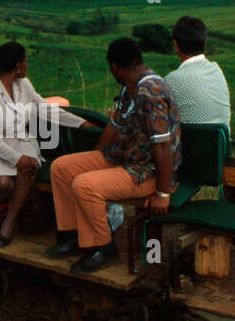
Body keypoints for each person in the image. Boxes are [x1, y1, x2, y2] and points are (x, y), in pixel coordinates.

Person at [45, 38, 181, 273]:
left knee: (85, 185)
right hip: (124, 157)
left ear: (114, 67)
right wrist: (95, 156)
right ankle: (72, 234)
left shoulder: (151, 92)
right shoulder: (130, 87)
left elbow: (163, 146)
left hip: (147, 171)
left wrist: (163, 192)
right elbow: (114, 126)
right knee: (62, 168)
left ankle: (103, 246)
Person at [0, 42, 89, 246]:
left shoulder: (24, 85)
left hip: (18, 141)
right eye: (25, 62)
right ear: (17, 66)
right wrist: (17, 159)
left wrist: (80, 123)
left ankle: (10, 220)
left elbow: (45, 109)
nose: (27, 65)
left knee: (29, 167)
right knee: (3, 182)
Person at [163, 15, 230, 125]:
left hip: (189, 142)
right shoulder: (216, 70)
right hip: (221, 141)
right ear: (205, 42)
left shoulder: (170, 81)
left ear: (175, 45)